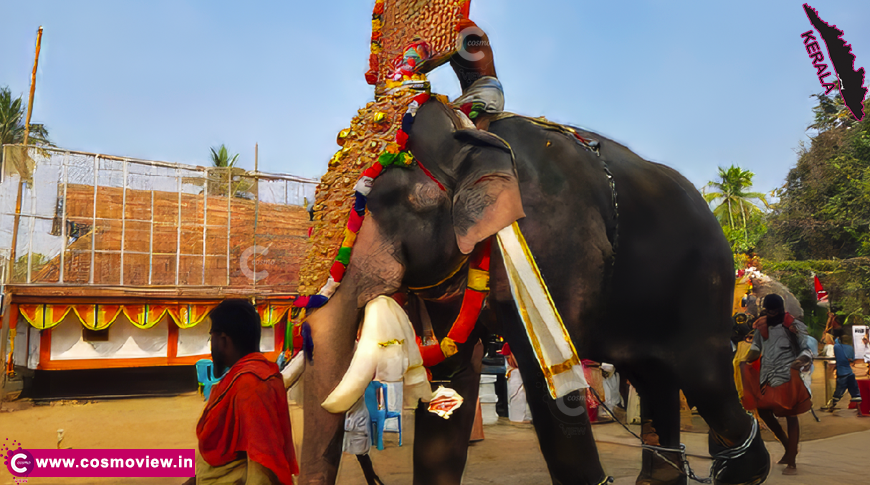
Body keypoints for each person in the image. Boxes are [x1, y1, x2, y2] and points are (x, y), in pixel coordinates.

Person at [194, 299, 298, 484]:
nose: (211, 346)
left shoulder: (252, 383)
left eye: (212, 338)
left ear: (224, 339)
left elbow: (263, 461)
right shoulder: (241, 377)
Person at [744, 294, 812, 475]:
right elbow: (755, 349)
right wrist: (743, 361)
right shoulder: (761, 326)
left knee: (790, 413)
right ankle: (787, 444)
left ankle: (792, 461)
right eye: (769, 310)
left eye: (775, 310)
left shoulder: (792, 325)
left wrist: (800, 360)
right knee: (763, 410)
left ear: (781, 309)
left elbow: (806, 348)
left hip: (788, 374)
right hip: (766, 375)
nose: (772, 313)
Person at [822, 327, 863, 413]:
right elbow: (852, 359)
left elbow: (835, 341)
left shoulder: (837, 347)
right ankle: (860, 410)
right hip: (850, 372)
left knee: (838, 392)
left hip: (842, 373)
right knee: (855, 393)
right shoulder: (851, 348)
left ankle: (831, 407)